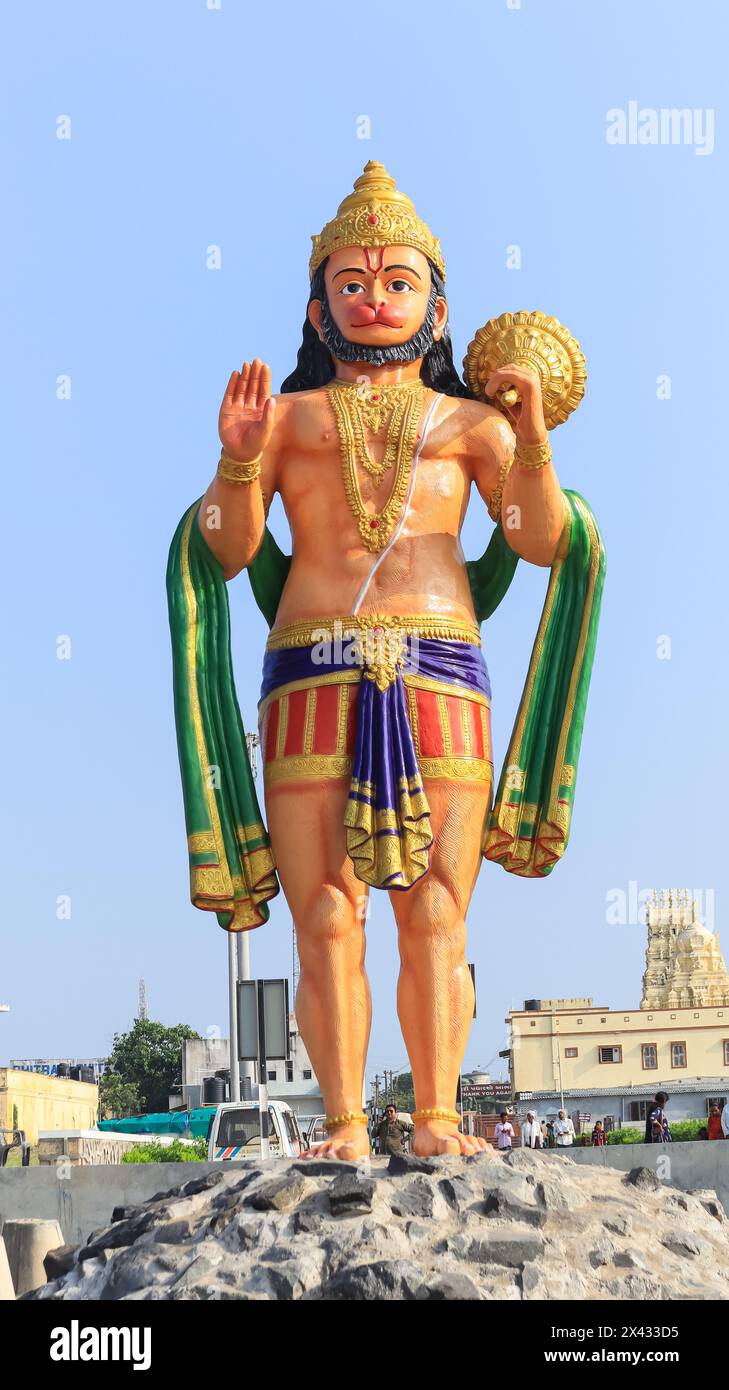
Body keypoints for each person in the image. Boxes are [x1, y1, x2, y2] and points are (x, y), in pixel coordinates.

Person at [168, 161, 604, 1162]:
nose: (374, 297)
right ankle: (344, 1124)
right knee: (324, 910)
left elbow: (539, 541)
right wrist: (237, 458)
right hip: (311, 674)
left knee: (436, 907)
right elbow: (230, 548)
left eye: (397, 281)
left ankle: (441, 1117)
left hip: (441, 670)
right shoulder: (283, 421)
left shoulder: (473, 427)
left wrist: (532, 438)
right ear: (318, 305)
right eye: (353, 281)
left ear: (437, 306)